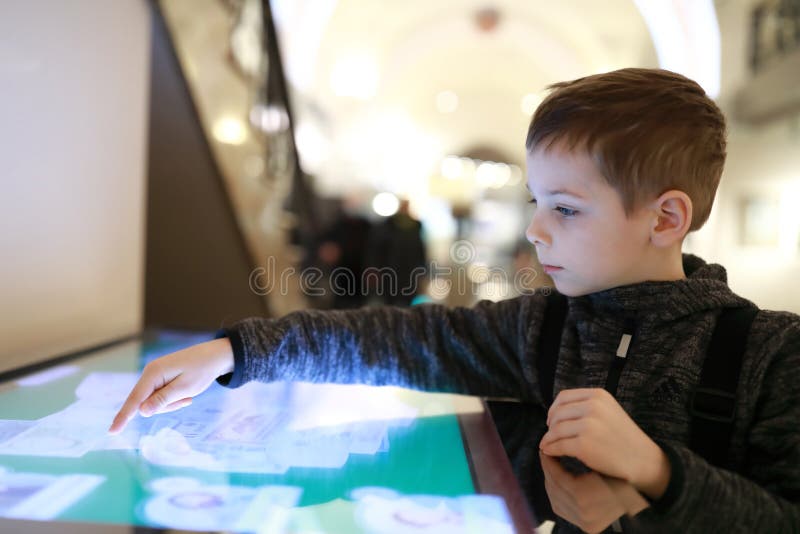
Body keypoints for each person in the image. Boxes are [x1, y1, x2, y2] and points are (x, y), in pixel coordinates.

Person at [108, 69, 800, 533]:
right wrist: (238, 351)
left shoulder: (771, 355)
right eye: (538, 201)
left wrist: (657, 475)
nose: (535, 228)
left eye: (566, 208)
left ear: (665, 218)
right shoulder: (540, 326)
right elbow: (397, 342)